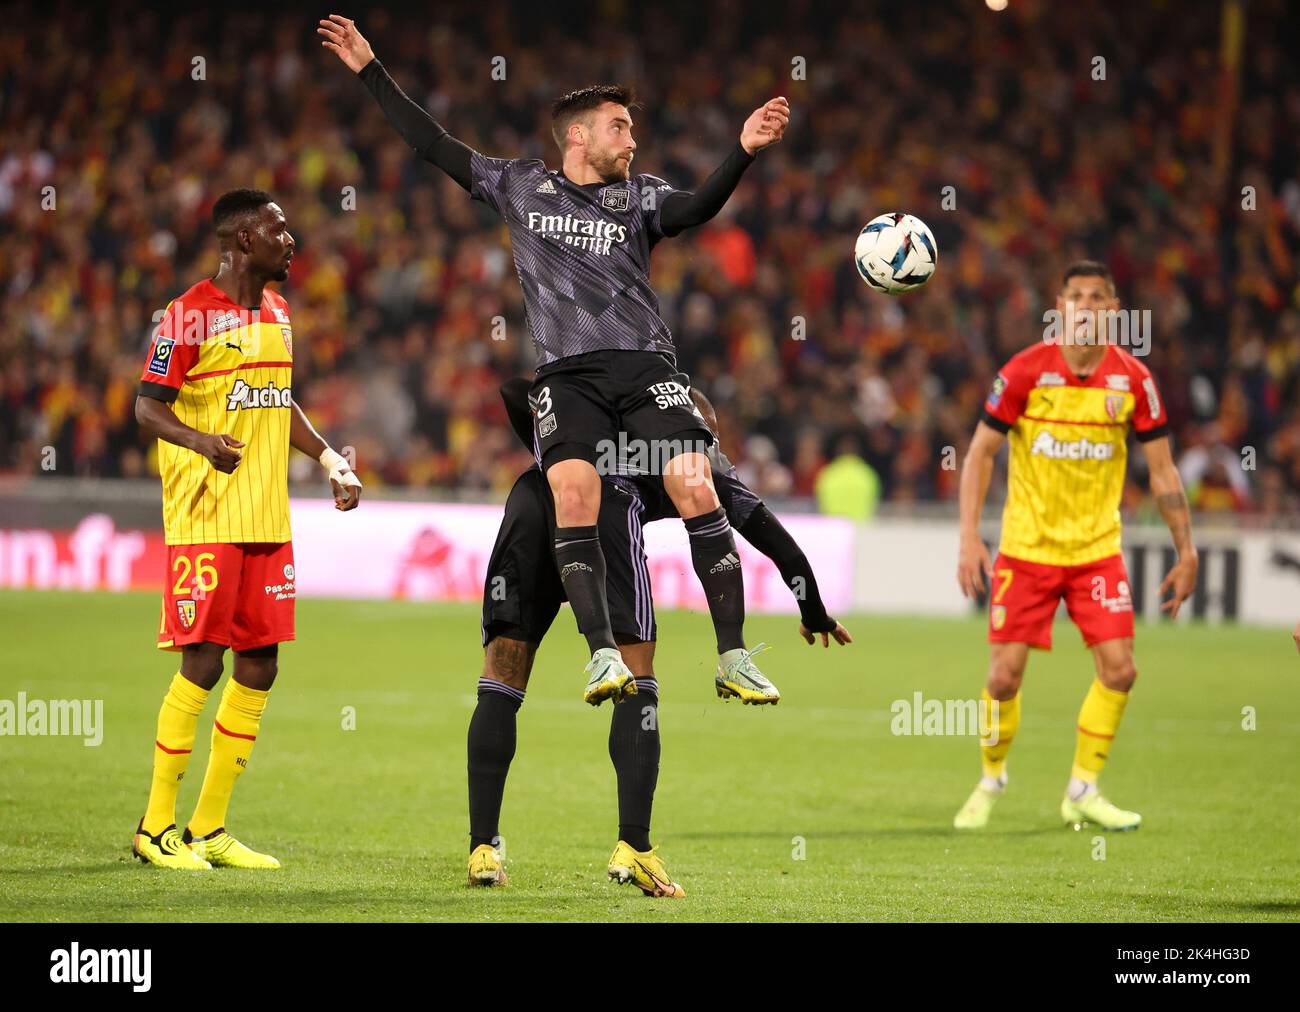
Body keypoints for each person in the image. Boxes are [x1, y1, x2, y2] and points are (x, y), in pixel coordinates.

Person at [319, 14, 790, 707]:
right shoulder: (520, 185)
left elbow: (694, 208)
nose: (633, 138)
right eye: (620, 126)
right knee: (575, 491)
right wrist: (369, 69)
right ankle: (602, 654)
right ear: (579, 135)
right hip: (569, 374)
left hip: (647, 367)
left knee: (695, 481)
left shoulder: (641, 196)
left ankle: (733, 655)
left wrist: (743, 152)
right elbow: (432, 144)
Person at [467, 380, 850, 894]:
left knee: (504, 671)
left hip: (536, 502)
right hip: (606, 512)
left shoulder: (596, 421)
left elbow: (514, 390)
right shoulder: (692, 456)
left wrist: (552, 435)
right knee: (636, 673)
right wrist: (814, 610)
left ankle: (483, 850)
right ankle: (635, 848)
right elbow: (768, 531)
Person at [131, 189, 362, 870]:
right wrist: (201, 441)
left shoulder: (280, 313)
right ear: (240, 241)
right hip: (206, 513)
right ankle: (154, 828)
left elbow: (277, 399)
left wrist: (327, 459)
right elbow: (148, 407)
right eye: (277, 230)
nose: (291, 240)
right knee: (202, 661)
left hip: (267, 516)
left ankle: (208, 827)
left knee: (260, 665)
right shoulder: (189, 314)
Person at [954, 261, 1197, 832]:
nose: (1086, 307)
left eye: (1097, 298)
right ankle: (991, 779)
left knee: (1121, 670)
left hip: (1095, 551)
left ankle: (1083, 789)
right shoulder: (1024, 372)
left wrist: (1186, 550)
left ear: (1114, 311)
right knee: (1002, 679)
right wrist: (969, 537)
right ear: (1059, 307)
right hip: (1026, 548)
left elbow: (1163, 474)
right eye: (1076, 297)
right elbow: (979, 454)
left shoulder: (1134, 380)